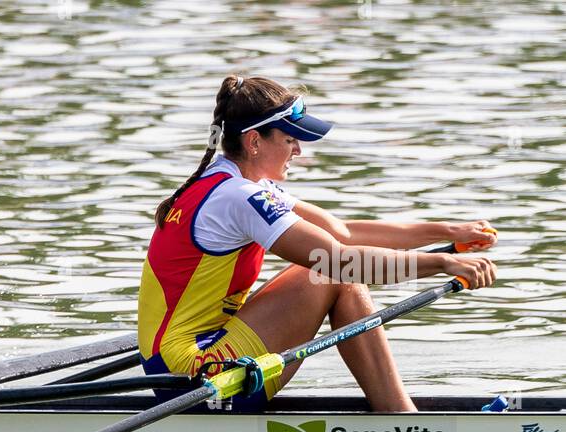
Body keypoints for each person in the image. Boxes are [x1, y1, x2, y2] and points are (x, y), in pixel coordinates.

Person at [138, 75, 497, 411]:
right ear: (254, 141)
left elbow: (342, 232)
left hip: (182, 359)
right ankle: (401, 417)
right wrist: (442, 264)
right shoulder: (239, 196)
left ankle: (397, 411)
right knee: (332, 273)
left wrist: (447, 231)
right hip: (195, 379)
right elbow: (341, 261)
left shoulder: (228, 180)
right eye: (289, 139)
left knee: (327, 266)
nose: (298, 150)